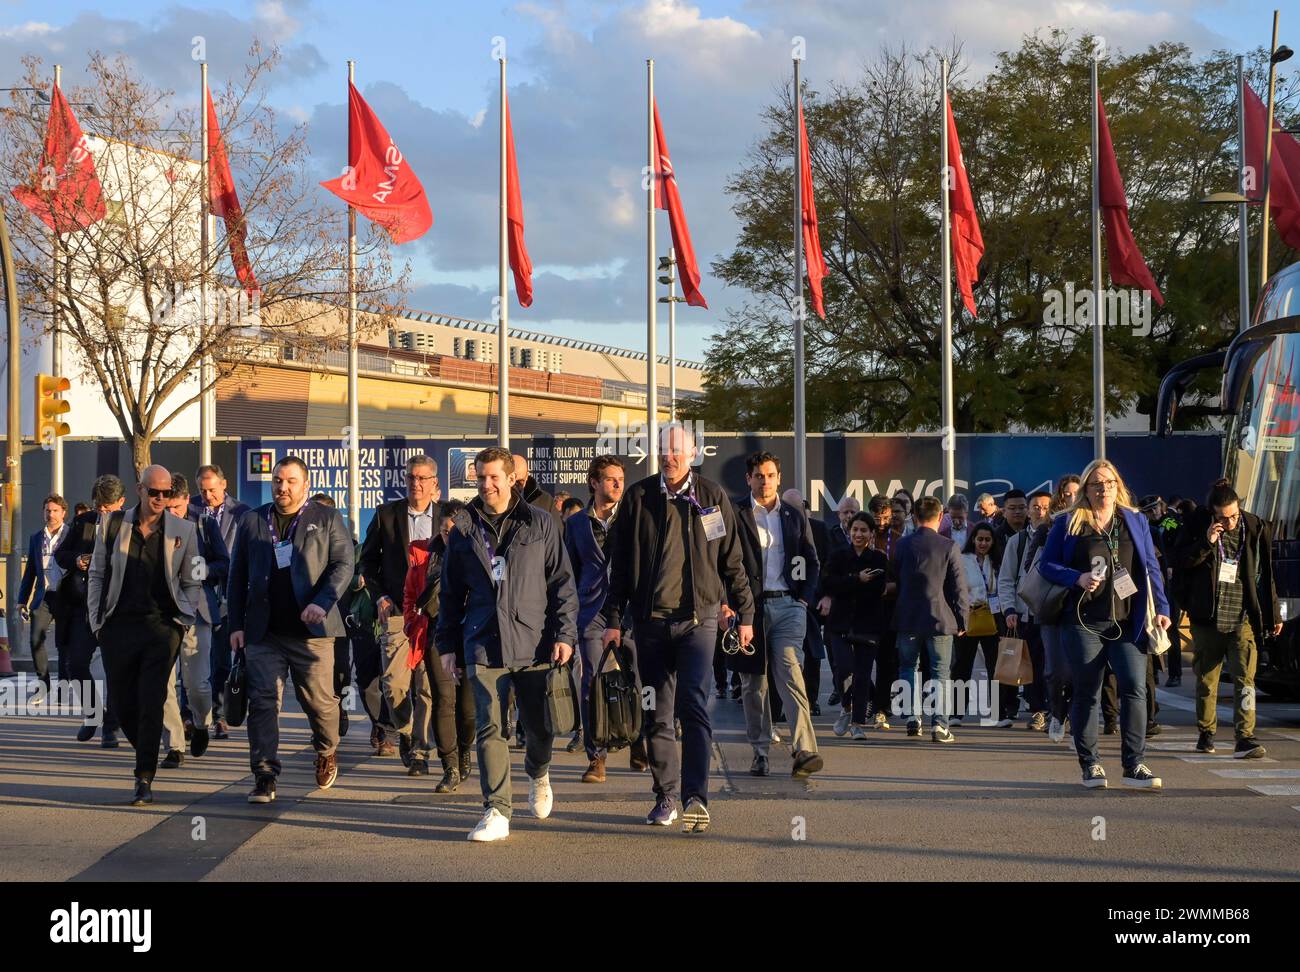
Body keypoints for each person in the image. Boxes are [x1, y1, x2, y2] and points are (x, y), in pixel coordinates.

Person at [604, 424, 754, 833]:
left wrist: (745, 614)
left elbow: (732, 561)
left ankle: (695, 798)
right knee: (656, 713)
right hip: (650, 625)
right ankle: (666, 795)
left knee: (694, 706)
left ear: (693, 454)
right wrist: (614, 620)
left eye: (677, 451)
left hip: (699, 622)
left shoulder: (710, 497)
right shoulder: (638, 497)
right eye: (663, 450)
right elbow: (618, 565)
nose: (669, 457)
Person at [435, 448, 577, 842]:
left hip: (534, 641)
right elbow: (450, 593)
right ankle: (496, 810)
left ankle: (539, 772)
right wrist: (446, 644)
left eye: (494, 477)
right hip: (482, 641)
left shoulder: (542, 523)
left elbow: (563, 583)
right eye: (480, 477)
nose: (486, 485)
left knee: (538, 726)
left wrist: (565, 635)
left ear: (512, 478)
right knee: (490, 726)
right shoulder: (463, 527)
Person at [1038, 459, 1171, 790]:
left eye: (1109, 483)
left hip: (1128, 620)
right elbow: (1046, 565)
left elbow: (1151, 566)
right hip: (1084, 621)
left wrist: (1162, 607)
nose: (1104, 489)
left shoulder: (1134, 521)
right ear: (1086, 489)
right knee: (1088, 691)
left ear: (1118, 486)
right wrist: (1077, 577)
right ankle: (1091, 763)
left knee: (1134, 688)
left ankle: (1134, 763)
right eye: (1097, 484)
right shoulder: (1069, 522)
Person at [228, 456, 354, 804]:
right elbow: (237, 575)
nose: (283, 487)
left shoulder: (326, 518)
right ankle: (265, 774)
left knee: (319, 702)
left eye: (291, 481)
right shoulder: (253, 519)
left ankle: (327, 749)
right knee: (264, 701)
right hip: (263, 631)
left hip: (311, 630)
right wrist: (235, 624)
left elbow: (344, 563)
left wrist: (323, 602)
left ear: (305, 485)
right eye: (278, 481)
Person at [88, 465, 202, 806]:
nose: (161, 499)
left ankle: (144, 778)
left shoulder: (184, 529)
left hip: (162, 628)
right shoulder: (112, 525)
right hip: (118, 626)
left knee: (152, 700)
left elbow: (194, 577)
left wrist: (184, 620)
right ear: (140, 490)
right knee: (123, 705)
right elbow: (97, 573)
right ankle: (148, 751)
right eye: (155, 493)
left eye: (167, 494)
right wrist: (97, 622)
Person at [730, 452, 823, 778]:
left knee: (789, 670)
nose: (764, 480)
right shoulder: (736, 512)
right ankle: (760, 752)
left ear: (779, 478)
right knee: (754, 684)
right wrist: (727, 603)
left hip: (788, 606)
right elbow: (722, 561)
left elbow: (812, 561)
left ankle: (804, 750)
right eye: (758, 475)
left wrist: (804, 601)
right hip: (748, 611)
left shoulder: (793, 514)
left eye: (770, 475)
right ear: (748, 479)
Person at [1174, 480, 1278, 759]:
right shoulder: (1197, 525)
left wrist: (1272, 612)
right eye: (1222, 517)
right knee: (1207, 680)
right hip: (1208, 617)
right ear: (1212, 513)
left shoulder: (1254, 527)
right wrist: (1206, 542)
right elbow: (1180, 561)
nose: (1229, 521)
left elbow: (1266, 572)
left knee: (1246, 678)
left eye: (1233, 515)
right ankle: (1206, 732)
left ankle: (1245, 737)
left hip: (1242, 616)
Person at [564, 456, 649, 783]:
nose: (617, 485)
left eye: (620, 479)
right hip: (592, 612)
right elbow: (566, 573)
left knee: (639, 682)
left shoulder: (633, 517)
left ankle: (638, 741)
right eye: (610, 479)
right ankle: (596, 756)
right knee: (591, 686)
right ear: (594, 483)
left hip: (631, 610)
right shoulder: (575, 524)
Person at [360, 455, 440, 769]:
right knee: (393, 685)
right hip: (396, 611)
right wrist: (378, 596)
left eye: (422, 478)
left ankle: (419, 748)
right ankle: (405, 732)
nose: (416, 484)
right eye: (410, 478)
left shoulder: (450, 515)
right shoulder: (386, 515)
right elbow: (367, 562)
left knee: (426, 685)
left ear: (435, 483)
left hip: (434, 615)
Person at [406, 500, 477, 790]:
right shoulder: (425, 556)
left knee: (469, 707)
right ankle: (448, 766)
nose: (450, 536)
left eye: (456, 530)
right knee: (443, 700)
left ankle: (463, 749)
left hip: (472, 634)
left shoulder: (478, 553)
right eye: (445, 531)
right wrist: (412, 622)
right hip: (438, 633)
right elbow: (411, 595)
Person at [53, 477, 125, 747]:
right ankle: (93, 714)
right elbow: (62, 554)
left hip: (115, 608)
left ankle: (111, 726)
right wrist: (77, 560)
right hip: (83, 607)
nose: (103, 512)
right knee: (77, 664)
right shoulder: (84, 522)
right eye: (99, 507)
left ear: (121, 502)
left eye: (108, 507)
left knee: (115, 669)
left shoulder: (129, 525)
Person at [893, 496, 969, 742]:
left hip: (907, 618)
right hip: (939, 618)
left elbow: (895, 579)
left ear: (914, 517)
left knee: (908, 668)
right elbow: (959, 587)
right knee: (940, 673)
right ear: (940, 517)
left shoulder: (902, 545)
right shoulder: (949, 546)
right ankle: (940, 725)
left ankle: (912, 718)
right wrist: (963, 620)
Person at [164, 474, 229, 759]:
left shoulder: (204, 523)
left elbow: (224, 563)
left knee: (197, 684)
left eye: (176, 507)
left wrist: (205, 570)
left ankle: (202, 723)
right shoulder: (151, 523)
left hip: (197, 609)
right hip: (161, 611)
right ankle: (174, 745)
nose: (171, 513)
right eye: (167, 507)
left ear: (186, 500)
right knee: (164, 683)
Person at [189, 465, 249, 740]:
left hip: (228, 592)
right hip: (197, 593)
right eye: (202, 490)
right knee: (194, 661)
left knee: (222, 658)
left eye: (212, 489)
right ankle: (193, 715)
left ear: (224, 485)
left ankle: (220, 714)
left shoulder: (242, 513)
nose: (207, 495)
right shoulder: (189, 511)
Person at [823, 511, 891, 739]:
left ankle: (857, 724)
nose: (858, 534)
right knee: (843, 670)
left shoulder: (879, 559)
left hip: (868, 623)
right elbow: (829, 584)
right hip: (840, 623)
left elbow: (877, 588)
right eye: (855, 530)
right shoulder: (838, 556)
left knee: (862, 674)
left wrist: (849, 583)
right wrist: (856, 579)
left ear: (872, 534)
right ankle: (847, 707)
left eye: (863, 530)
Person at [952, 523, 1016, 727]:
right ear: (973, 539)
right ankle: (955, 713)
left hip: (994, 617)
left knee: (995, 667)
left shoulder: (997, 561)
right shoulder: (963, 560)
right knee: (962, 665)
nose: (983, 543)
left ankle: (998, 713)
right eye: (980, 539)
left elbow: (1005, 586)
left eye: (987, 540)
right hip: (968, 616)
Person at [998, 489, 1052, 731]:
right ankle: (1039, 710)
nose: (1040, 511)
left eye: (1045, 507)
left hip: (1056, 611)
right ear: (1029, 511)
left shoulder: (1061, 536)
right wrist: (1009, 608)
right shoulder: (1017, 541)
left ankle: (1059, 710)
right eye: (1036, 507)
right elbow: (1006, 579)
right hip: (1027, 612)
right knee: (1033, 666)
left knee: (1057, 665)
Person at [17, 494, 71, 689]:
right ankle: (44, 681)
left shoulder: (72, 535)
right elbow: (30, 570)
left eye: (55, 510)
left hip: (66, 596)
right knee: (35, 639)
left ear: (64, 513)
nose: (51, 514)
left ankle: (64, 685)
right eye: (48, 510)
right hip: (43, 596)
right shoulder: (36, 538)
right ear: (43, 513)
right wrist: (22, 599)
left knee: (63, 643)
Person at [1141, 494, 1184, 687]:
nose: (1153, 512)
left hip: (1168, 582)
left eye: (1155, 508)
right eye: (1149, 511)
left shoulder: (1172, 524)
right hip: (1150, 584)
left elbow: (1176, 548)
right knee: (1150, 627)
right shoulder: (1143, 529)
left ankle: (1175, 673)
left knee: (1171, 627)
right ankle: (1155, 671)